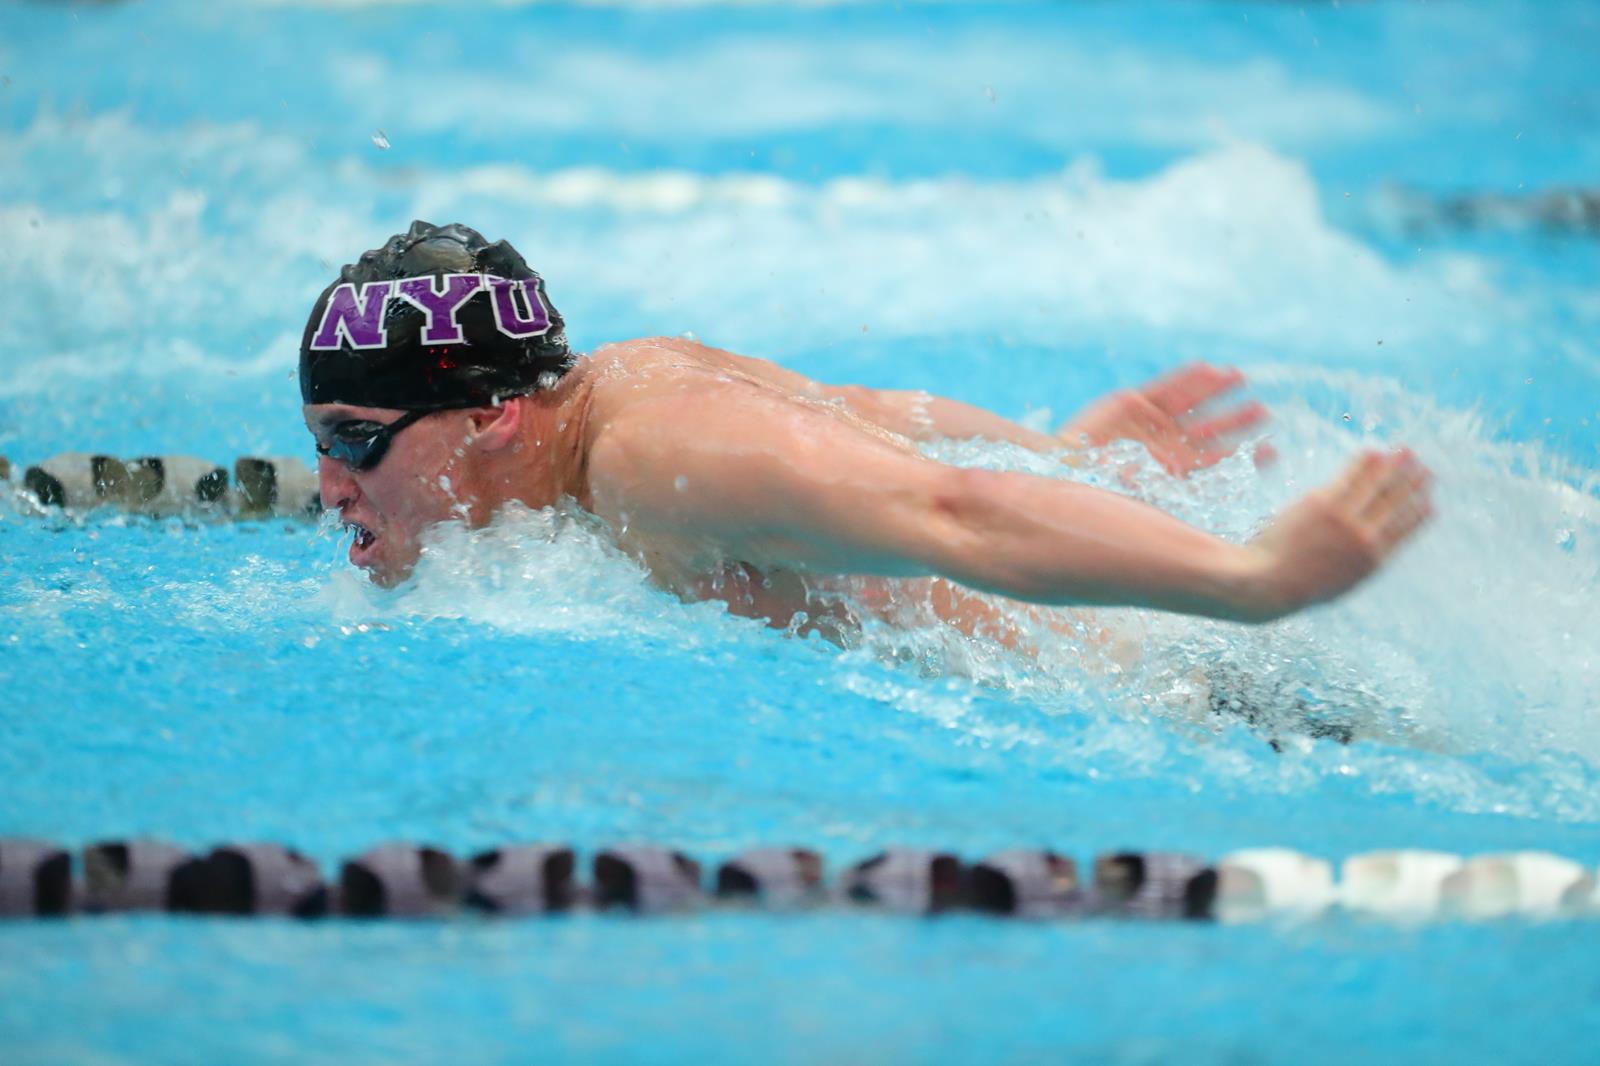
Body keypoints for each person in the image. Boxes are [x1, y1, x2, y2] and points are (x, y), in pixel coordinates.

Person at [301, 221, 1433, 639]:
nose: (327, 483)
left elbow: (949, 510)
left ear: (493, 413)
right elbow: (877, 420)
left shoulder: (655, 458)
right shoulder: (621, 385)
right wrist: (1069, 456)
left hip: (1217, 696)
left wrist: (1253, 578)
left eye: (355, 438)